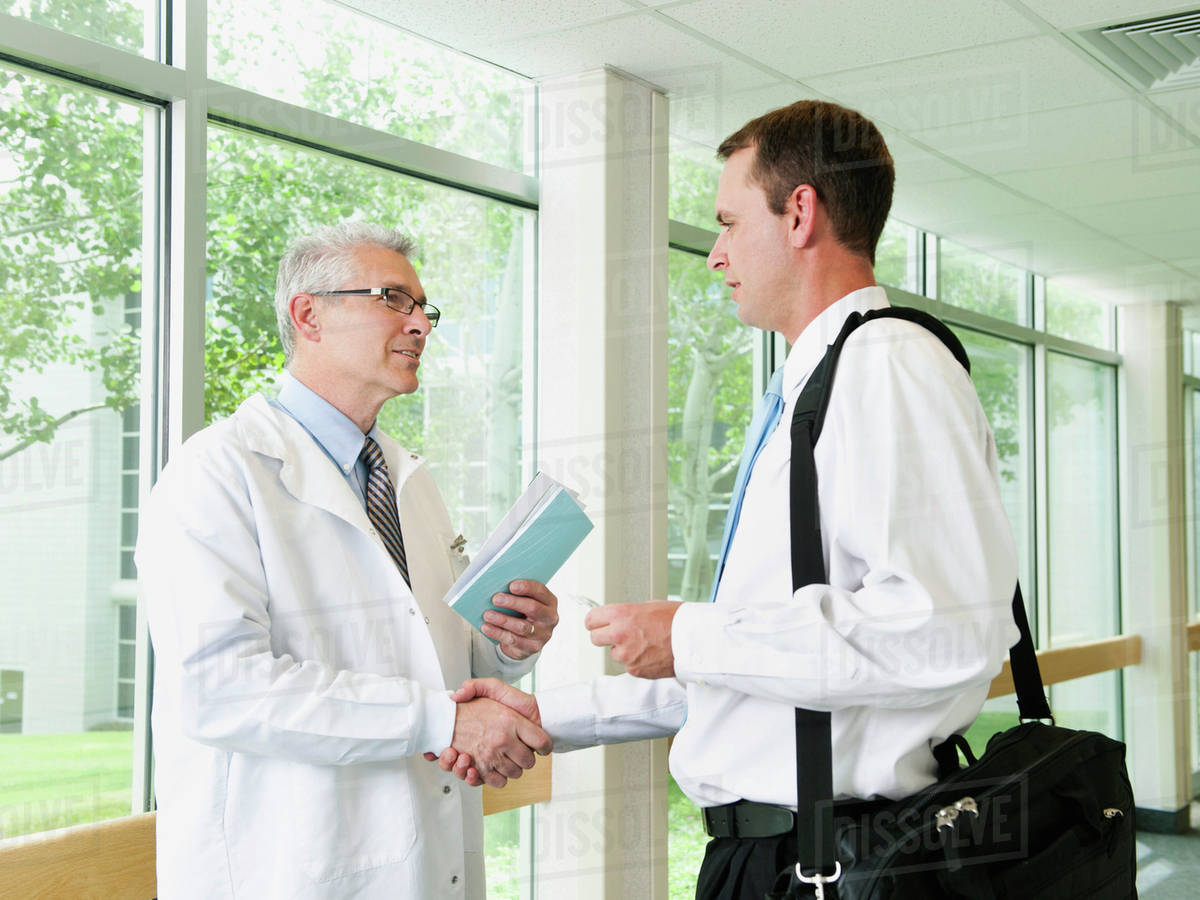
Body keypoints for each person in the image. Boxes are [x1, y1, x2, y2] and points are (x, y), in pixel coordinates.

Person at [439, 101, 1020, 899]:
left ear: (800, 213)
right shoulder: (811, 388)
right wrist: (545, 716)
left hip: (829, 859)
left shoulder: (884, 366)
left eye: (728, 221)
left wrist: (692, 632)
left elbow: (942, 630)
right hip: (774, 855)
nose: (715, 255)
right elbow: (765, 670)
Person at [136, 222, 558, 900]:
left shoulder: (404, 481)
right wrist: (442, 721)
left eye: (424, 308)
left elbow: (439, 670)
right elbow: (220, 690)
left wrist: (506, 645)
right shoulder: (215, 473)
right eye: (393, 299)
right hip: (285, 871)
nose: (420, 324)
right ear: (309, 315)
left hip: (426, 860)